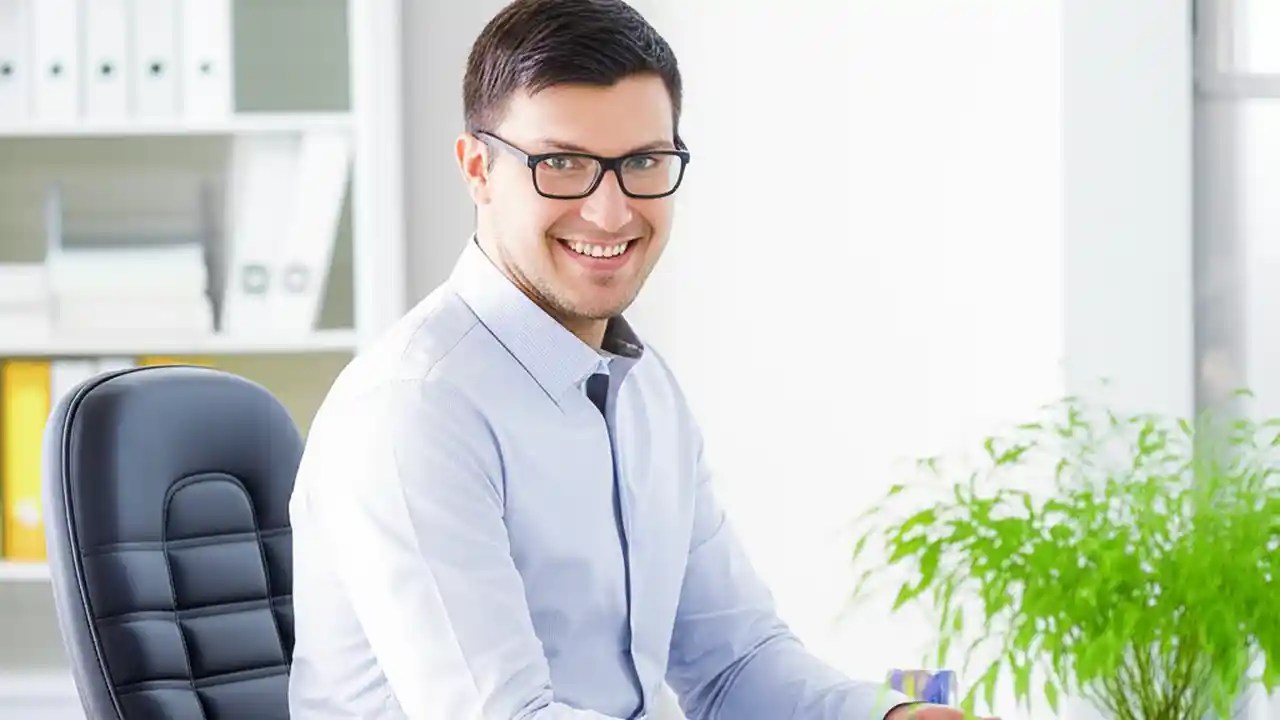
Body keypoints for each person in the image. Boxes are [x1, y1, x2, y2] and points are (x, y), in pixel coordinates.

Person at [287, 1, 996, 718]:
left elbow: (733, 663)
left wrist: (890, 714)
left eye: (642, 163)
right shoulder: (414, 410)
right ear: (478, 169)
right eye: (561, 163)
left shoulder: (643, 386)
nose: (610, 211)